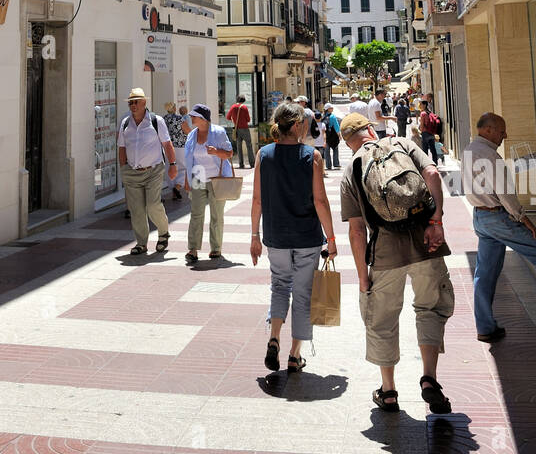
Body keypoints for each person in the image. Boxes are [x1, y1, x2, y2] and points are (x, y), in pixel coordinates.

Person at [339, 111, 455, 415]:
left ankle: (388, 391)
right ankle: (429, 378)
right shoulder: (401, 143)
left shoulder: (352, 169)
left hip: (384, 253)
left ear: (348, 143)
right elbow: (432, 175)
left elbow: (355, 230)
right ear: (371, 131)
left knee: (382, 320)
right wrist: (436, 220)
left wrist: (363, 276)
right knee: (430, 307)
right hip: (426, 242)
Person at [462, 113, 536, 342]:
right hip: (497, 217)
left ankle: (485, 328)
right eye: (501, 130)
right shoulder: (489, 156)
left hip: (481, 218)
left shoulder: (469, 150)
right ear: (487, 130)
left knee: (484, 274)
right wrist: (525, 219)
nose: (506, 135)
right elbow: (505, 194)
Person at [251, 101, 337, 373]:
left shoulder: (263, 155)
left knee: (279, 287)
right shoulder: (311, 156)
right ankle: (294, 355)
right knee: (302, 295)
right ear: (298, 125)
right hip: (307, 237)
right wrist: (332, 239)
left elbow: (256, 200)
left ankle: (274, 337)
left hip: (275, 235)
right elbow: (320, 201)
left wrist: (254, 235)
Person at [118, 88, 177, 256]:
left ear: (144, 103)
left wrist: (173, 165)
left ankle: (163, 232)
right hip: (132, 171)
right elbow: (121, 148)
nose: (133, 105)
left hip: (153, 170)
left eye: (136, 101)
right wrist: (123, 169)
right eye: (130, 102)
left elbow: (167, 144)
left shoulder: (156, 121)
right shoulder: (125, 123)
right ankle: (141, 243)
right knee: (136, 209)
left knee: (152, 205)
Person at [183, 104, 234, 264]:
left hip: (216, 179)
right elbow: (189, 159)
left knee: (216, 215)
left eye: (194, 116)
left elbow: (229, 153)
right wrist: (186, 180)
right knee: (196, 213)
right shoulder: (192, 135)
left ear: (203, 119)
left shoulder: (218, 132)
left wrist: (216, 152)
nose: (191, 118)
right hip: (198, 177)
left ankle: (216, 248)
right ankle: (193, 249)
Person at [163, 102, 187, 199]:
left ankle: (173, 189)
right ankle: (177, 187)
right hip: (180, 146)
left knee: (170, 167)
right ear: (174, 108)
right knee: (183, 168)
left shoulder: (163, 119)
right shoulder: (179, 118)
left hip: (168, 147)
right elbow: (187, 130)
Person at [226, 94, 255, 169]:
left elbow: (228, 117)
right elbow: (248, 119)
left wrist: (234, 120)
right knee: (249, 146)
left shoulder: (233, 107)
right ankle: (252, 163)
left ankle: (241, 164)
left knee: (239, 147)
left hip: (237, 129)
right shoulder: (244, 107)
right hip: (245, 129)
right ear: (244, 100)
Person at [323, 102, 341, 170]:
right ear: (328, 109)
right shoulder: (333, 116)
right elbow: (336, 127)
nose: (332, 108)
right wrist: (339, 135)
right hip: (333, 136)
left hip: (326, 136)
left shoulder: (323, 116)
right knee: (335, 150)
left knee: (326, 151)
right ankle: (336, 164)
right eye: (331, 108)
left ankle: (328, 165)